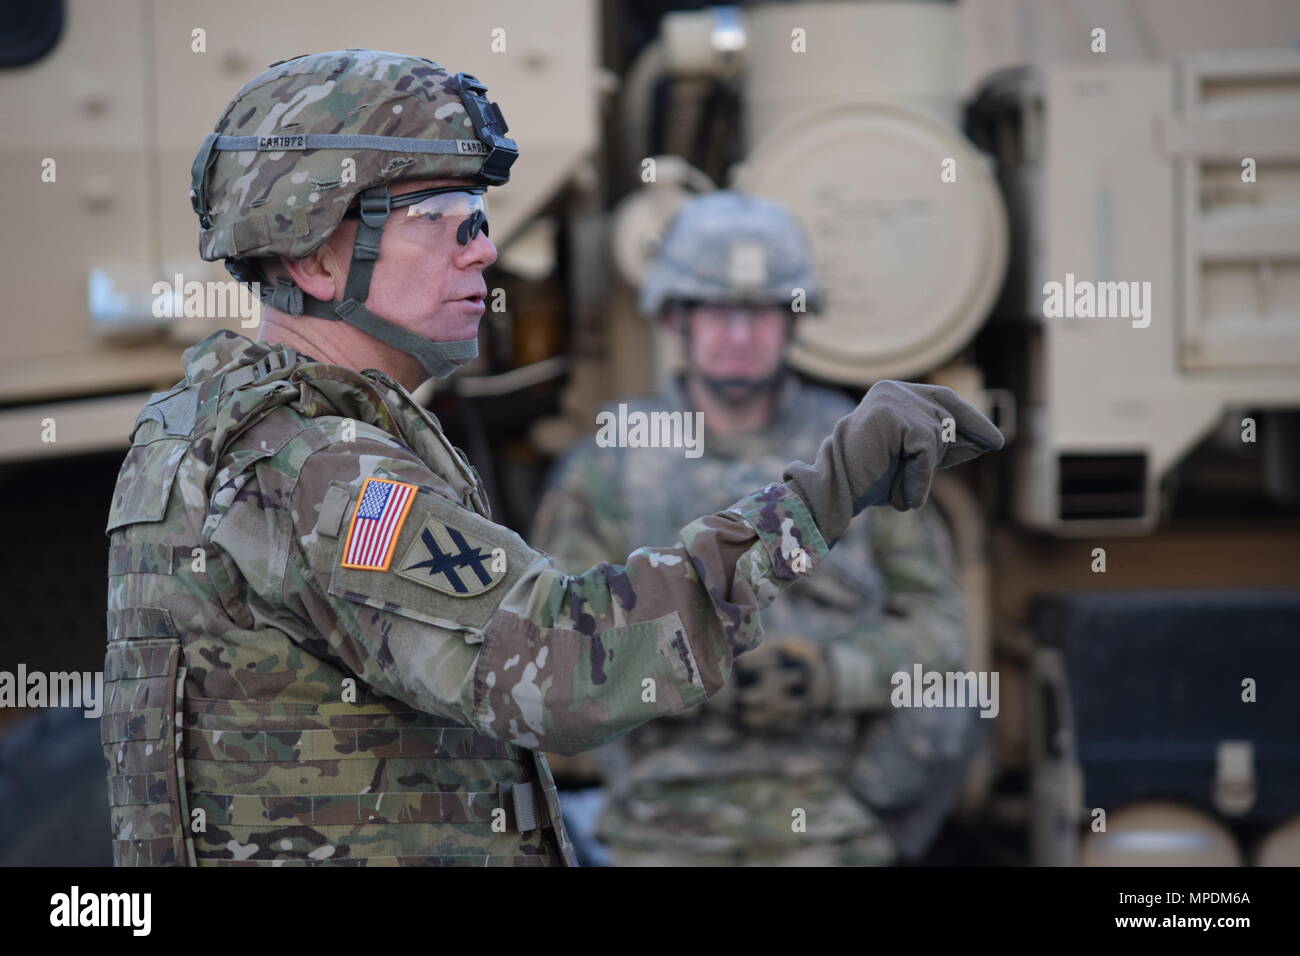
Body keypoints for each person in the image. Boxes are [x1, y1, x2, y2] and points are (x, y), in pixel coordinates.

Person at [101, 51, 1003, 867]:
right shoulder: (311, 468)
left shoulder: (217, 426)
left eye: (478, 216)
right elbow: (566, 670)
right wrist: (822, 494)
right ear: (320, 254)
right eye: (445, 217)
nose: (484, 248)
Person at [533, 191, 981, 866]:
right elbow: (560, 645)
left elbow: (940, 633)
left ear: (796, 319)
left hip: (835, 819)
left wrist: (827, 676)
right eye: (716, 310)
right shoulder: (611, 462)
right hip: (659, 821)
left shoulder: (861, 452)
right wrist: (690, 670)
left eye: (762, 312)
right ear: (674, 320)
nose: (739, 334)